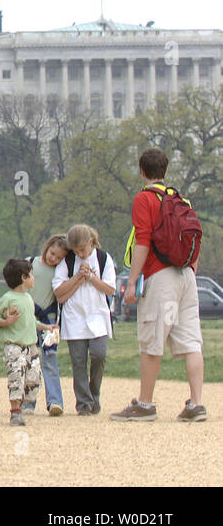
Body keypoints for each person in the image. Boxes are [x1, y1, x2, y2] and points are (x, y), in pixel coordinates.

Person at [113, 148, 207, 422]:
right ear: (164, 171)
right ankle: (196, 404)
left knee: (152, 340)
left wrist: (132, 282)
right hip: (186, 276)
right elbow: (194, 240)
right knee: (191, 342)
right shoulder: (182, 200)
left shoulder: (145, 199)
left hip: (160, 276)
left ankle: (145, 404)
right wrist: (190, 271)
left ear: (142, 171)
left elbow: (142, 241)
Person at [52, 223, 115, 416]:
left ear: (91, 242)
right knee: (78, 361)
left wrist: (92, 278)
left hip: (98, 315)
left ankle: (94, 393)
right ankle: (84, 403)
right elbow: (58, 291)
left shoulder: (103, 259)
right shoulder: (68, 262)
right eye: (76, 251)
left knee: (99, 355)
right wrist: (78, 276)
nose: (80, 254)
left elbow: (110, 289)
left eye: (82, 249)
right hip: (74, 317)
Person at [0, 258, 45, 426]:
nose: (33, 278)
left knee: (34, 379)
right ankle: (15, 412)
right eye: (31, 275)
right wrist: (6, 321)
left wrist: (47, 326)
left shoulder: (28, 299)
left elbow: (31, 322)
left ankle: (23, 405)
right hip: (14, 347)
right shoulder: (8, 299)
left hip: (31, 347)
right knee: (16, 378)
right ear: (24, 278)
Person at [28, 235, 68, 416]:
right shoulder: (30, 263)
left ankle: (55, 402)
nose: (53, 258)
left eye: (59, 257)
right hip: (28, 319)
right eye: (52, 253)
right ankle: (28, 402)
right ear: (47, 246)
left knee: (50, 360)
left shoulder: (60, 272)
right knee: (29, 361)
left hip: (49, 320)